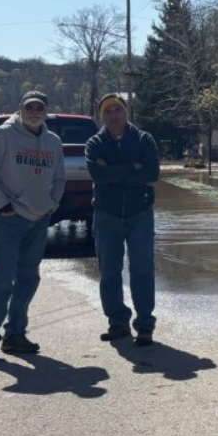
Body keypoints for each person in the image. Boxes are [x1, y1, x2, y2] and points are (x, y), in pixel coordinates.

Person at [0, 90, 66, 363]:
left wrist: (52, 203)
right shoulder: (3, 135)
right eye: (30, 107)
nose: (35, 112)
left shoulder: (53, 142)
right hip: (8, 220)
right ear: (21, 109)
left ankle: (15, 334)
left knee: (28, 279)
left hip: (39, 220)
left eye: (40, 107)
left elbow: (60, 178)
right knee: (1, 279)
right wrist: (2, 205)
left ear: (46, 111)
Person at [86, 93, 161, 346]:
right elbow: (98, 175)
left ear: (126, 112)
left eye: (118, 109)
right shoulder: (94, 143)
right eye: (108, 111)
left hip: (140, 213)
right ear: (102, 116)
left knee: (142, 269)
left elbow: (152, 173)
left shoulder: (143, 140)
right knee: (109, 271)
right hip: (107, 214)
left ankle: (144, 325)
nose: (114, 115)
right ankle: (117, 322)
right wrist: (133, 168)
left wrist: (113, 171)